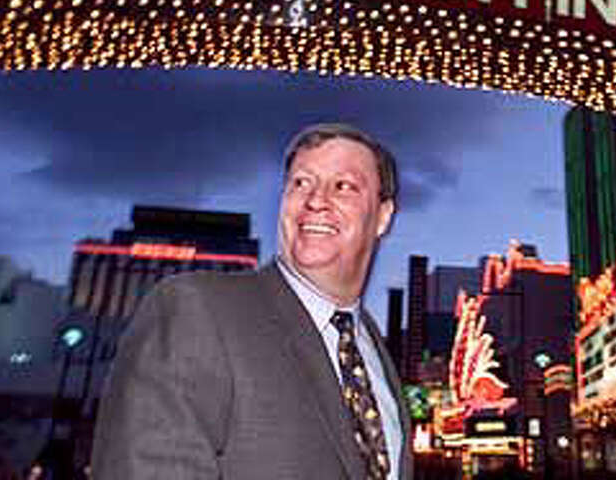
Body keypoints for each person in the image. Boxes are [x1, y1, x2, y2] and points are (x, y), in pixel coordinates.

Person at [91, 123, 412, 479]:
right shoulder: (196, 310)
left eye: (344, 186)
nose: (316, 200)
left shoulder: (374, 352)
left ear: (383, 216)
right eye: (301, 183)